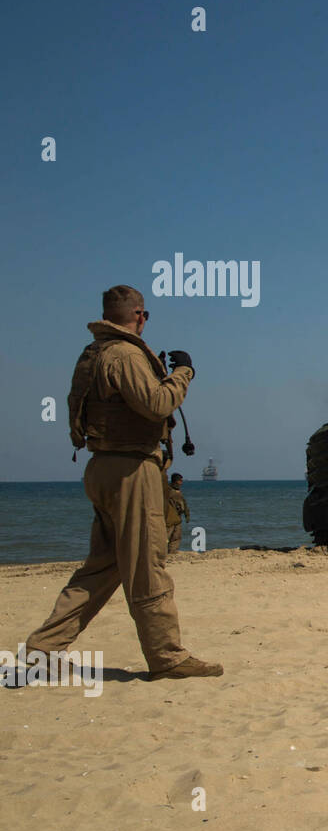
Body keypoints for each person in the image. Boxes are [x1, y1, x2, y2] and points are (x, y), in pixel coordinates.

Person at [23, 285, 222, 681]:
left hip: (102, 466)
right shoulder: (127, 354)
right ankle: (167, 657)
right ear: (139, 316)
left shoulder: (93, 354)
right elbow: (156, 404)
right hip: (132, 470)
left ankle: (43, 648)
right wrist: (184, 372)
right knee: (148, 564)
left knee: (103, 566)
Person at [165, 473, 190, 554]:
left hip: (177, 518)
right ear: (176, 481)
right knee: (166, 537)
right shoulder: (168, 491)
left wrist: (187, 514)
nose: (181, 483)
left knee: (176, 536)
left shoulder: (177, 491)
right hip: (169, 519)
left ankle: (172, 552)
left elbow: (183, 503)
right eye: (180, 481)